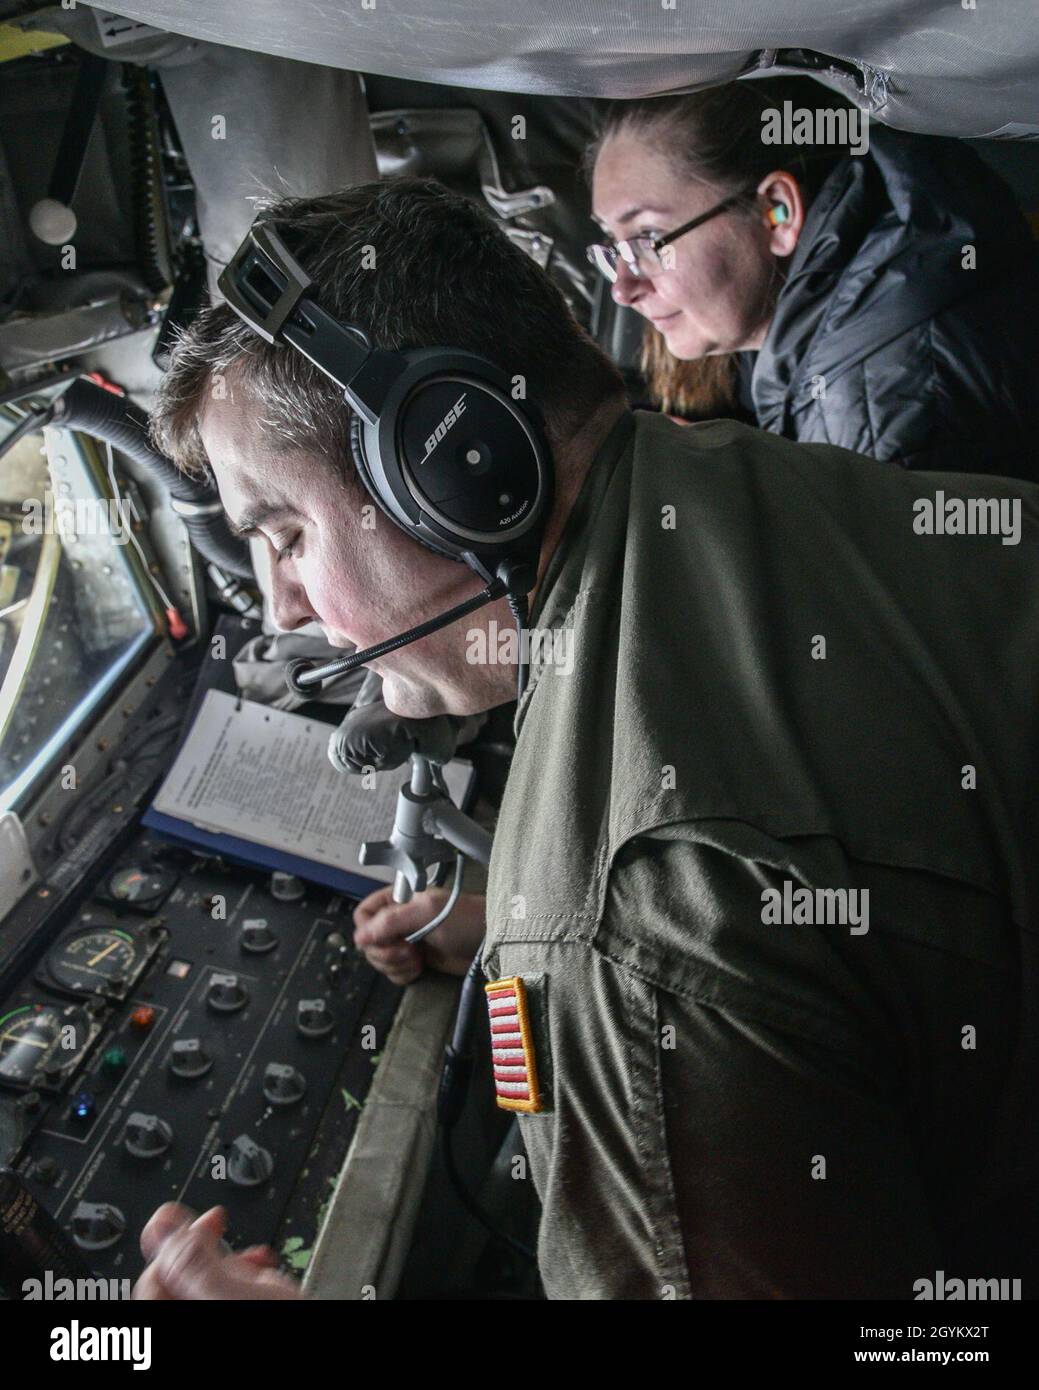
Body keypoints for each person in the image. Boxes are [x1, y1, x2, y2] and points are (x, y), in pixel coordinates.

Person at [135, 176, 1039, 1300]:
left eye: (284, 533)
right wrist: (514, 925)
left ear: (448, 466)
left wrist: (570, 939)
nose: (281, 609)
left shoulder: (631, 929)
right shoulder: (737, 477)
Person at [587, 77, 1039, 478]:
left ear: (777, 212)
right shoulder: (875, 265)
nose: (622, 289)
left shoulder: (877, 422)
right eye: (614, 245)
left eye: (648, 238)